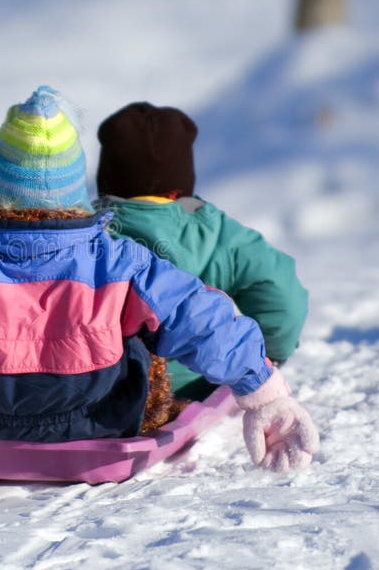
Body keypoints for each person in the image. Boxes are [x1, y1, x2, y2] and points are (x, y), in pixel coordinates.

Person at [0, 88, 319, 514]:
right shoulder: (120, 265)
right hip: (105, 429)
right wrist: (264, 392)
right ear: (74, 190)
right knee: (144, 339)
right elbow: (201, 320)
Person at [96, 101, 309, 400]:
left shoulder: (87, 232)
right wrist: (266, 355)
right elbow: (281, 292)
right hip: (185, 386)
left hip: (96, 388)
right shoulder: (218, 235)